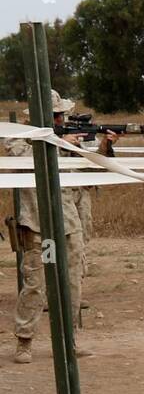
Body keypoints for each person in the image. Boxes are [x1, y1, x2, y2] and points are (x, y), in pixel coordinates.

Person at [7, 91, 112, 363]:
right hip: (37, 222)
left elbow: (90, 176)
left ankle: (68, 342)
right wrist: (56, 141)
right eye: (54, 115)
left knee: (72, 284)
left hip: (68, 223)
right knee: (35, 285)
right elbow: (23, 156)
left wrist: (104, 147)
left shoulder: (65, 141)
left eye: (60, 115)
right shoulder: (18, 137)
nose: (60, 118)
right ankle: (24, 341)